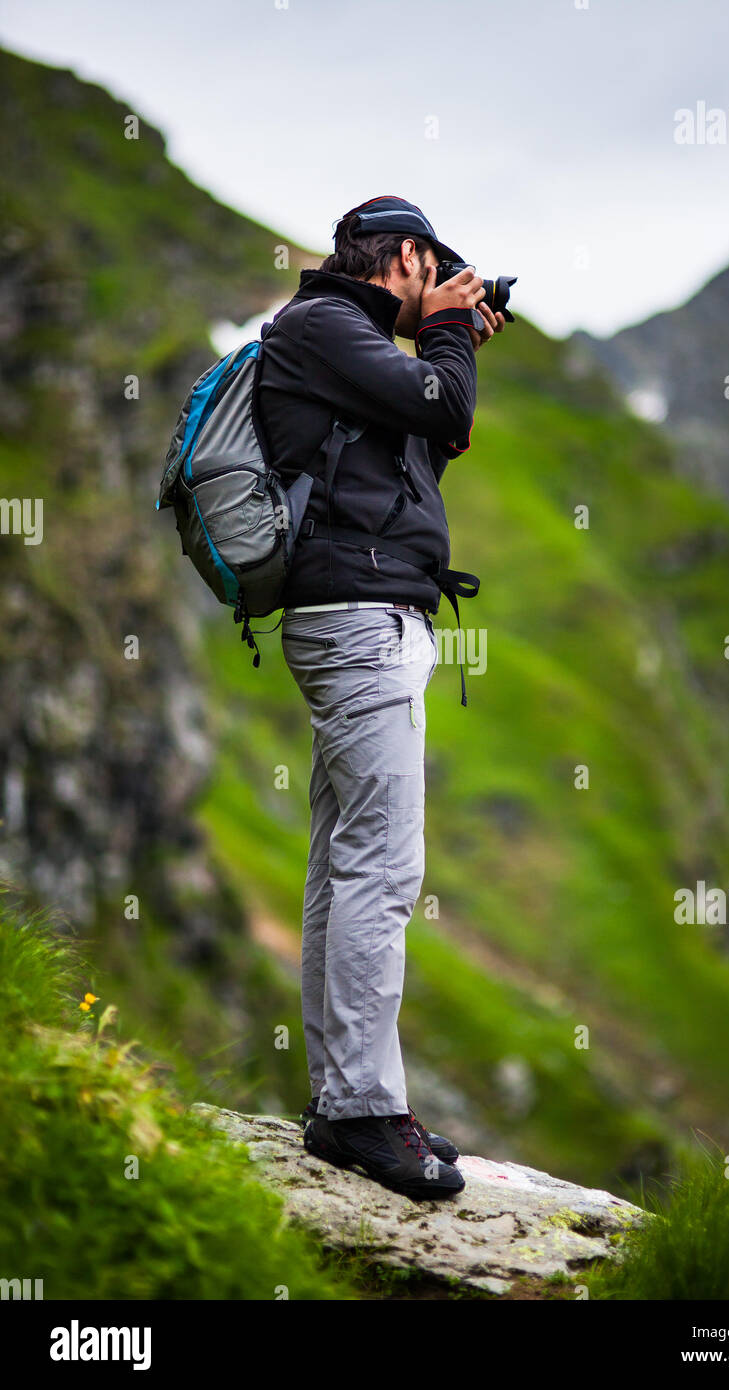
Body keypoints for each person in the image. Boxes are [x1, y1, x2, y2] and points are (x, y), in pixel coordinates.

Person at [256, 196, 504, 1198]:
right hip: (358, 622)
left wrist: (450, 343)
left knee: (340, 860)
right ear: (406, 255)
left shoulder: (343, 345)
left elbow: (424, 441)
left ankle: (338, 1100)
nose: (438, 289)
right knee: (382, 864)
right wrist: (445, 335)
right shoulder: (323, 324)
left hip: (363, 617)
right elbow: (440, 407)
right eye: (432, 272)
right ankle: (363, 1107)